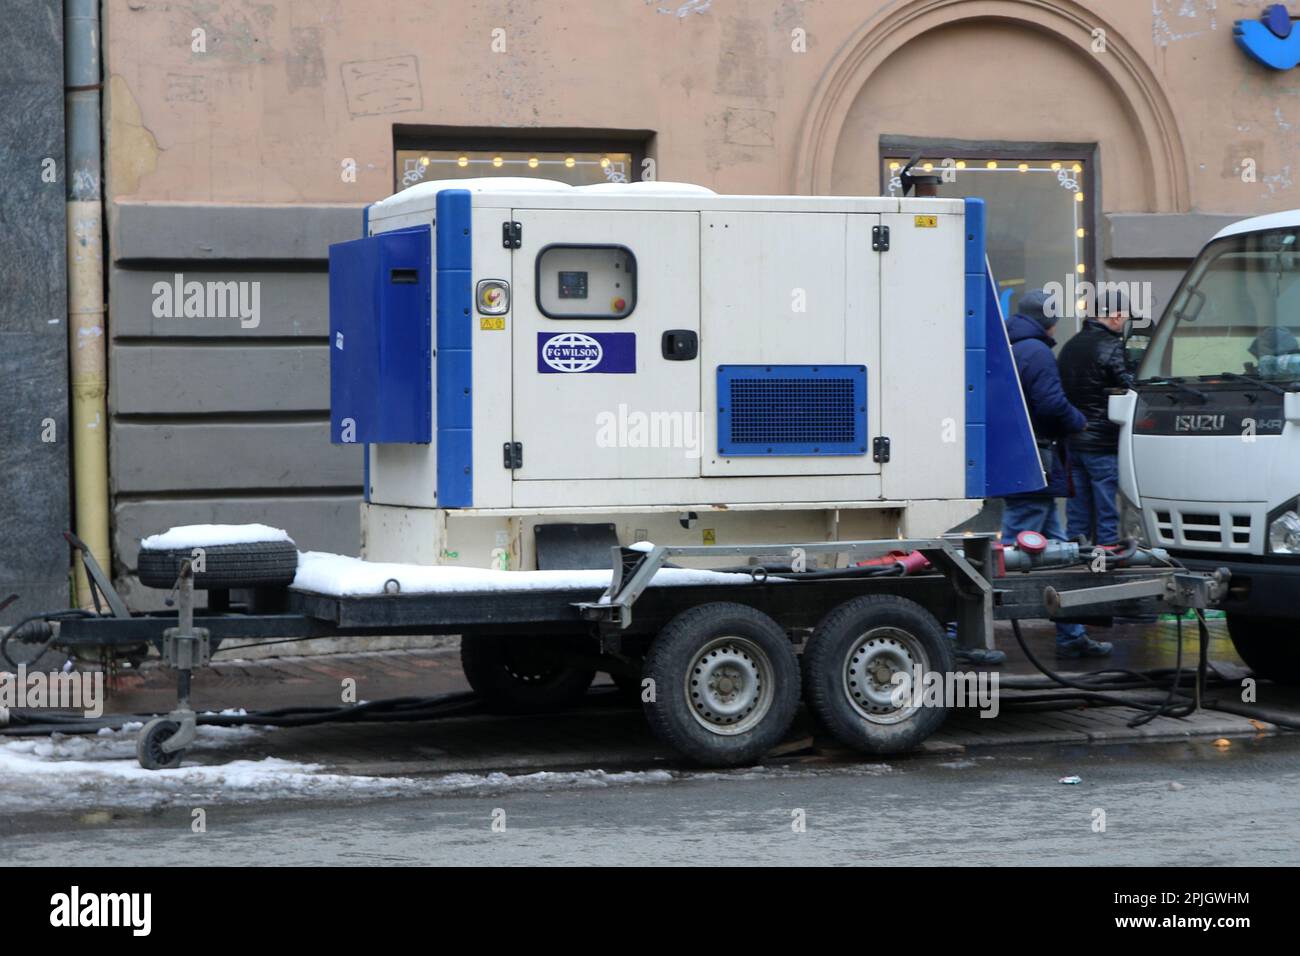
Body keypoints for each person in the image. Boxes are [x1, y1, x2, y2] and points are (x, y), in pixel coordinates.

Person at [1005, 289, 1113, 658]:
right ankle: (962, 632)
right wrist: (1077, 420)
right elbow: (1050, 403)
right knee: (1006, 553)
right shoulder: (1036, 351)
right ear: (1048, 319)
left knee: (1060, 551)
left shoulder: (1015, 345)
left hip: (1026, 461)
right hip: (1036, 463)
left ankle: (1071, 636)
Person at [1057, 290, 1136, 547]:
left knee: (1077, 508)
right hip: (1102, 441)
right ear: (1114, 316)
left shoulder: (1070, 345)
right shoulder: (1113, 347)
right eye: (1124, 316)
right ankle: (1108, 552)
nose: (1125, 322)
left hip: (1075, 440)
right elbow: (1131, 386)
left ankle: (1076, 553)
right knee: (1105, 506)